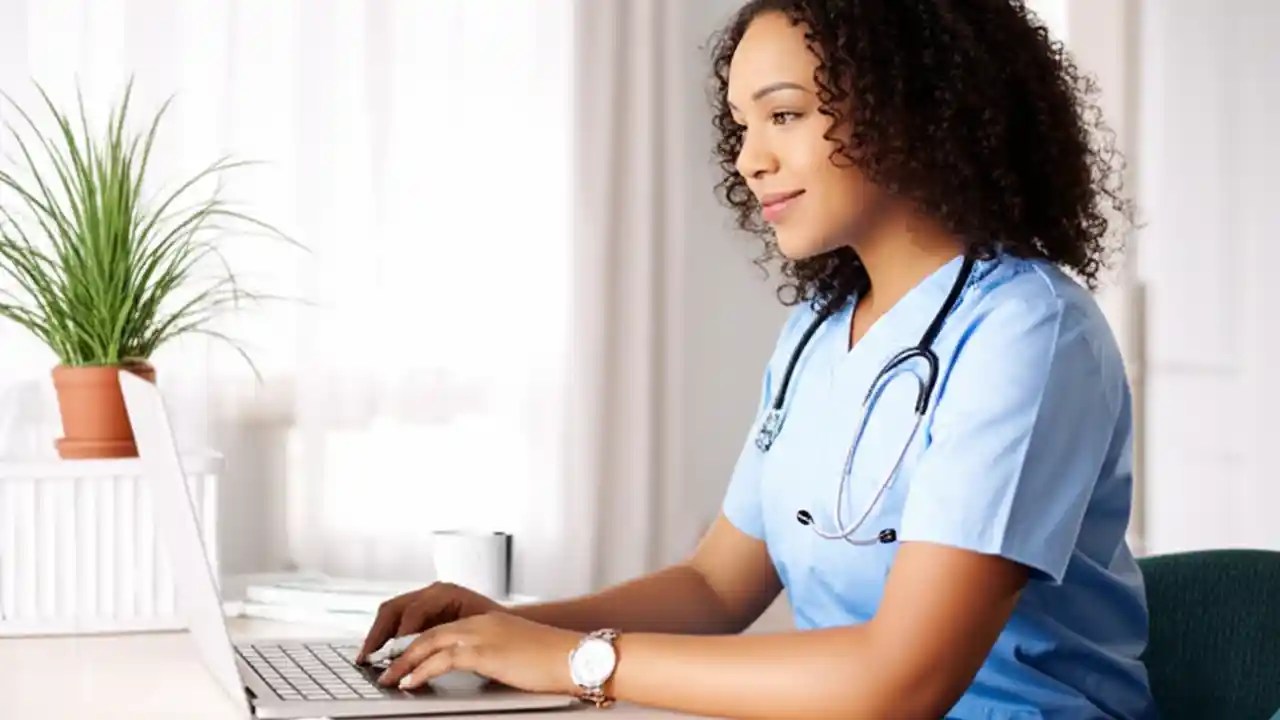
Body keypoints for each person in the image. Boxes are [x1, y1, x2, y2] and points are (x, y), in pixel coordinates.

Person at [356, 1, 1156, 717]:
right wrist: (504, 630)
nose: (748, 159)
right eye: (743, 125)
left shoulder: (1027, 331)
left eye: (784, 115)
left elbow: (901, 682)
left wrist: (573, 660)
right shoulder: (820, 325)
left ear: (907, 109)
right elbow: (715, 588)